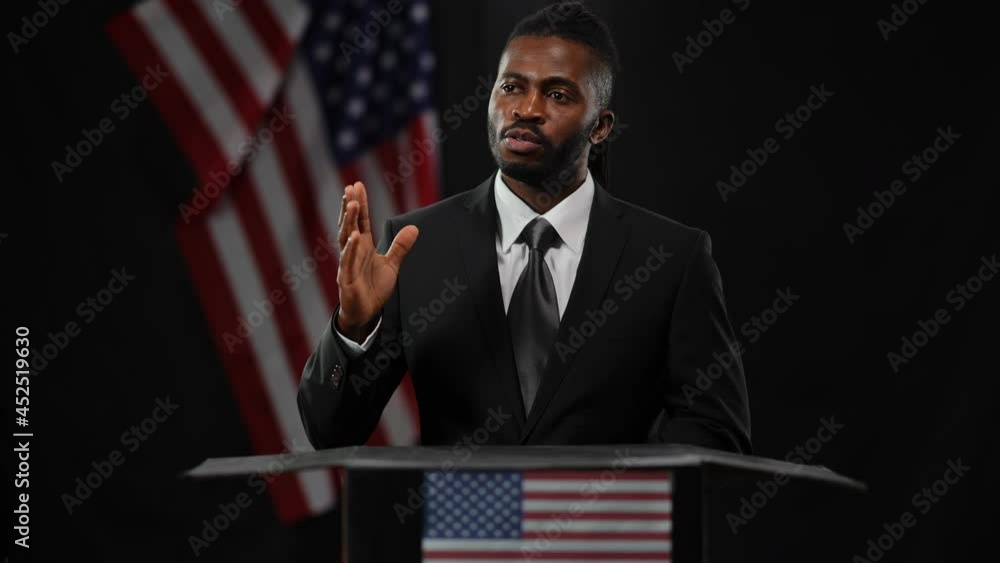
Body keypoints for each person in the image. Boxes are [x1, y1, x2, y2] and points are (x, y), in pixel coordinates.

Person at [298, 2, 751, 453]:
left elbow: (716, 433)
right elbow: (331, 433)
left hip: (607, 523)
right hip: (464, 523)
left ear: (601, 127)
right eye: (512, 87)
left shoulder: (672, 258)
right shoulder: (415, 247)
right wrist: (352, 329)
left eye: (557, 95)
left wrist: (618, 496)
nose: (527, 109)